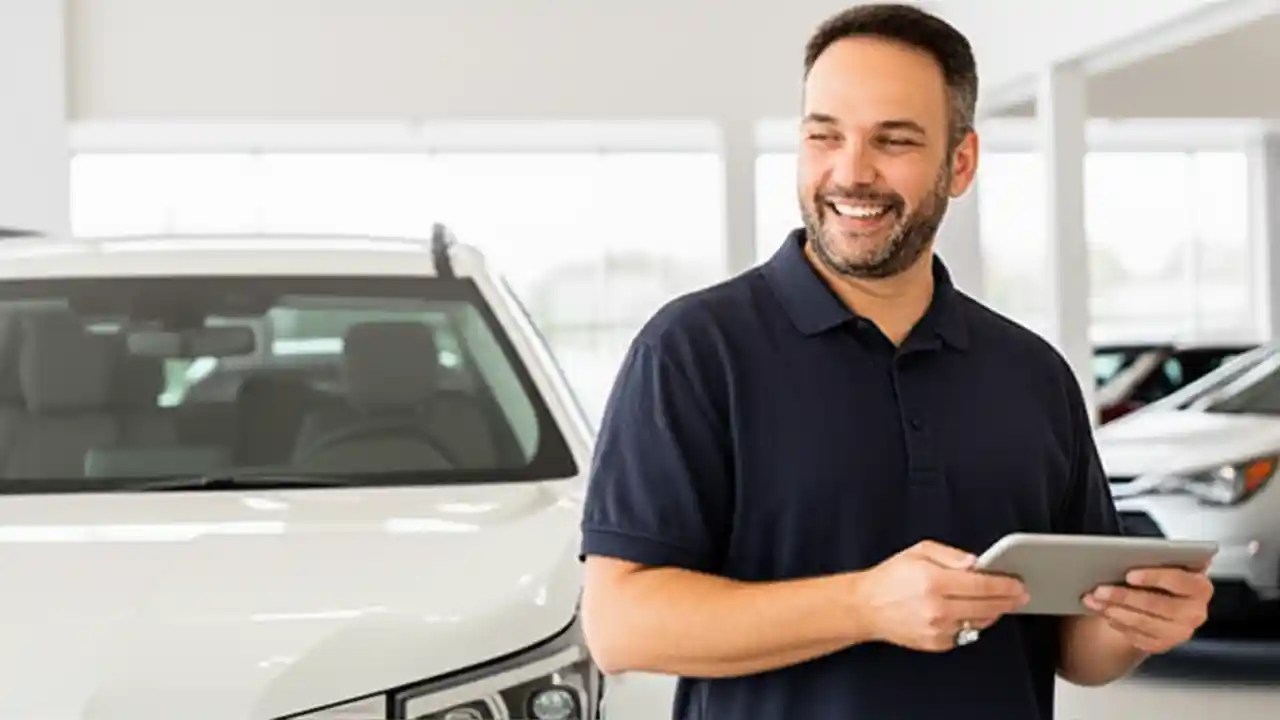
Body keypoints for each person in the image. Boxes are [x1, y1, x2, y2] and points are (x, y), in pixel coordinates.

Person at [578, 3, 1214, 719]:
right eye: (825, 136)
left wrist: (1138, 626)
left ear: (961, 162)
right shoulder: (692, 350)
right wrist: (865, 605)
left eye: (895, 140)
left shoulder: (1032, 374)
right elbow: (620, 625)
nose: (851, 173)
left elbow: (1074, 649)